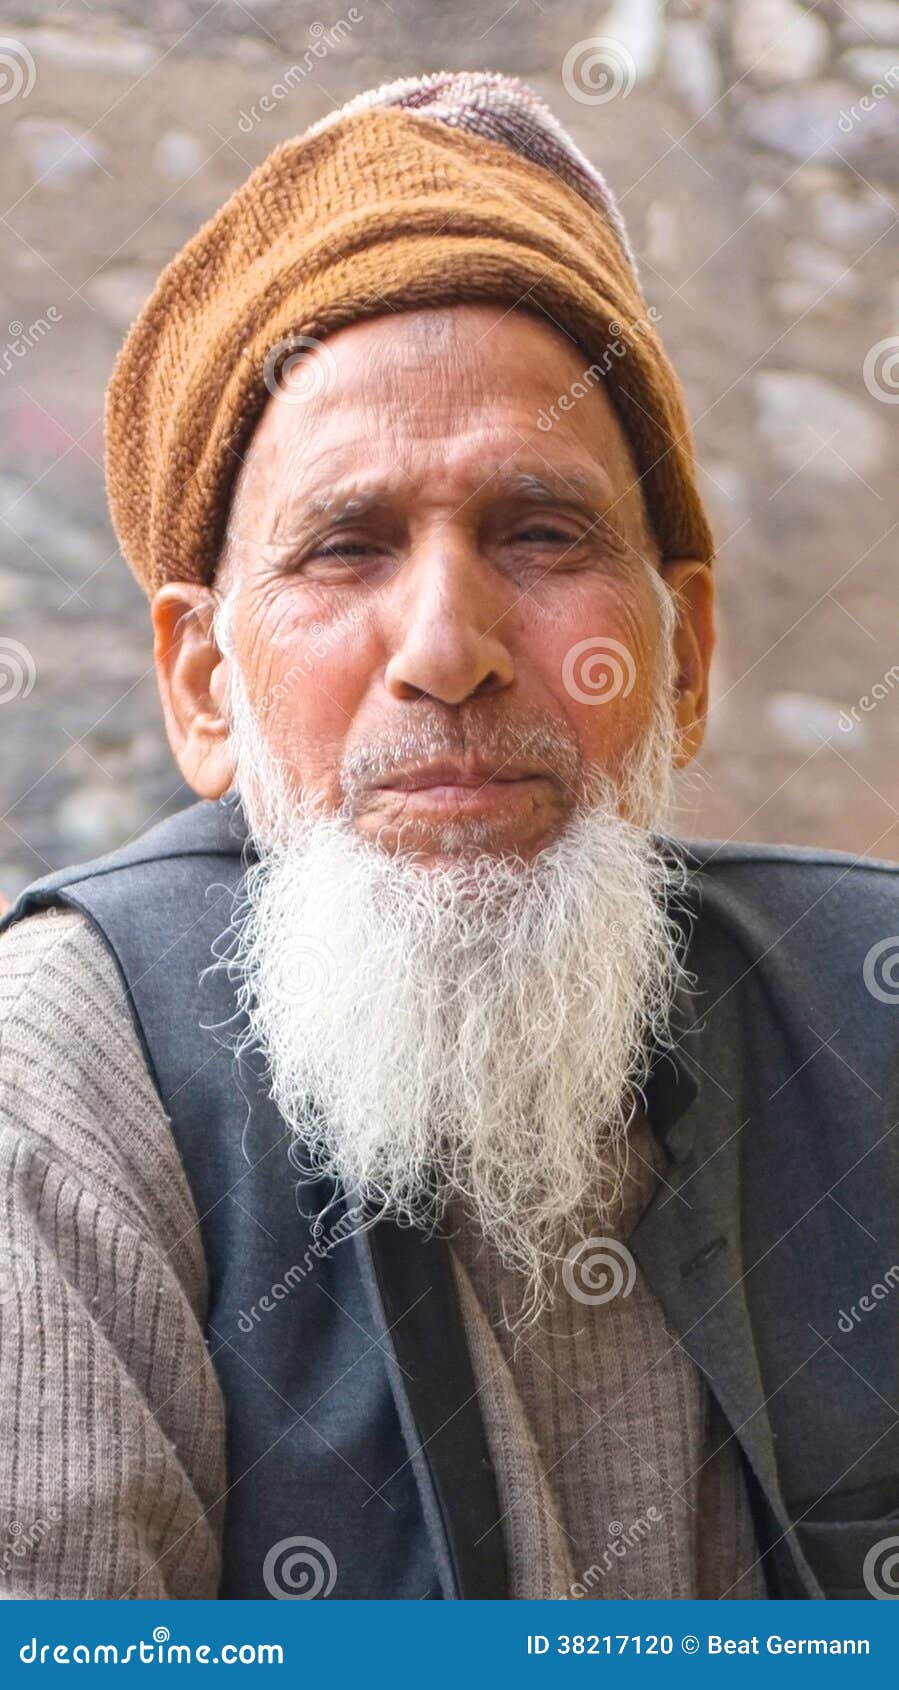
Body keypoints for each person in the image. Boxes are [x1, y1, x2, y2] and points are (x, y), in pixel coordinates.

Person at [1, 71, 898, 1604]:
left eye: (541, 533)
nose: (449, 647)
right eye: (345, 547)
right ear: (204, 687)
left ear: (680, 655)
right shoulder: (73, 1083)